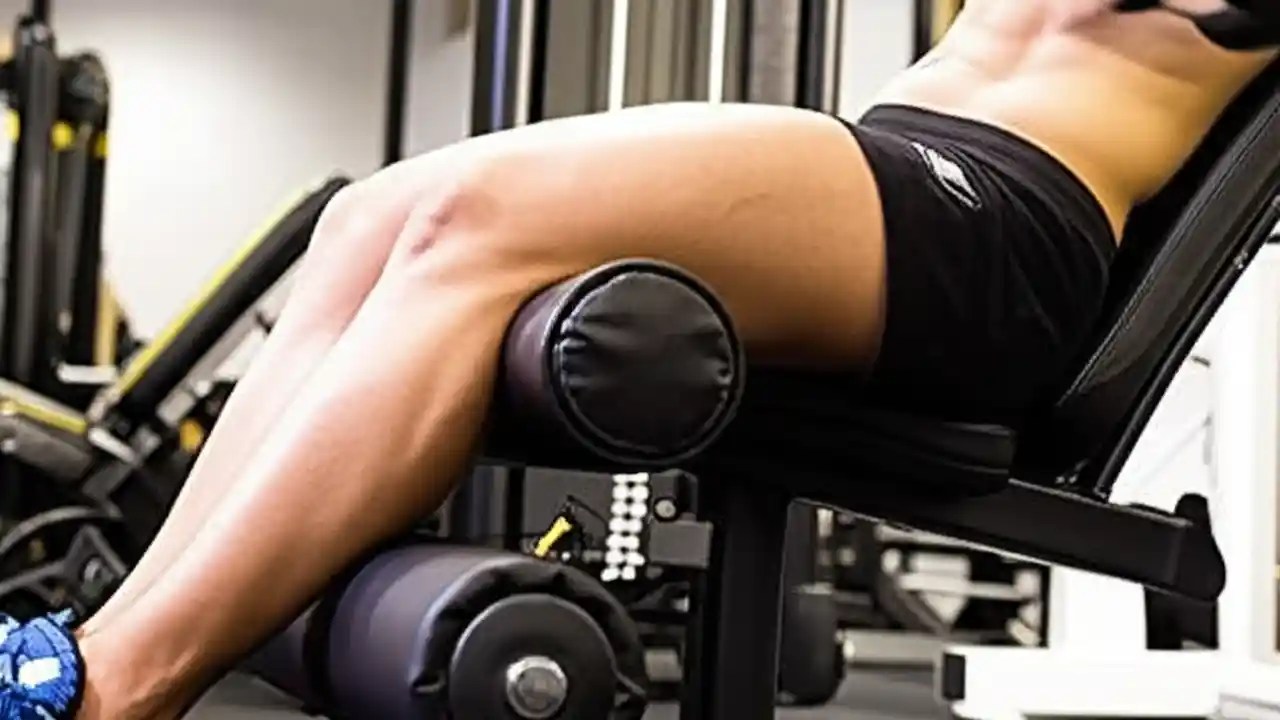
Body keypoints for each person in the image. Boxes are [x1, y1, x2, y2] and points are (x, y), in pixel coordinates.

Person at [0, 1, 1274, 718]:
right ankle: (102, 644)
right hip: (901, 168)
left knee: (466, 218)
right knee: (370, 218)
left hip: (1000, 224)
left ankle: (121, 690)